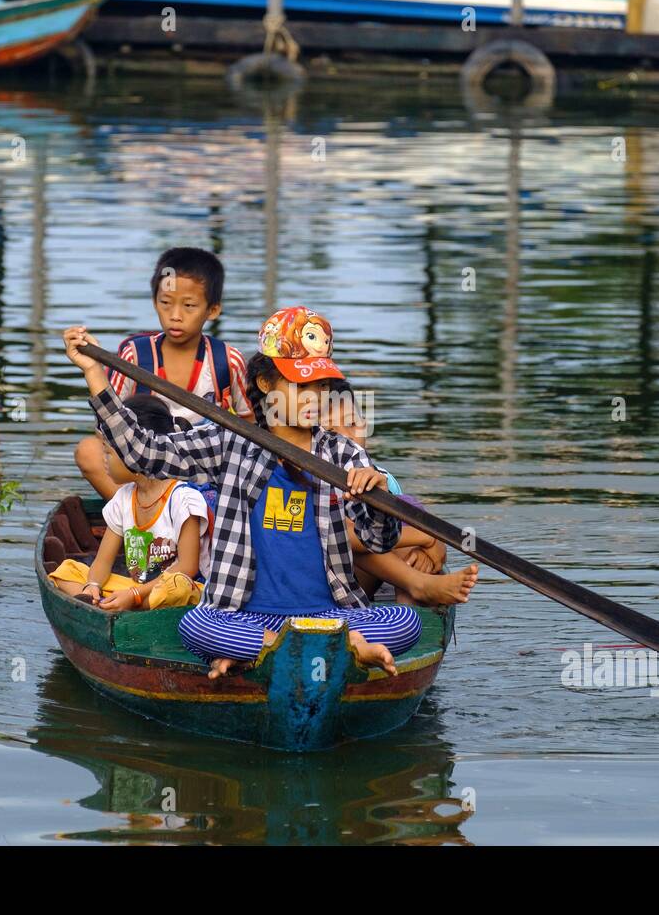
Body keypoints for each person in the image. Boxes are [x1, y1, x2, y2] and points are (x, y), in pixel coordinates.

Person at [63, 306, 447, 680]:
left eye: (322, 386)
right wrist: (95, 373)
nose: (315, 398)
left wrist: (375, 497)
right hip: (248, 615)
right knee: (199, 624)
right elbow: (141, 452)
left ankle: (269, 651)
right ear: (266, 384)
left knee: (404, 622)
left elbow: (378, 540)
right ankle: (334, 648)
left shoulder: (343, 454)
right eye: (301, 385)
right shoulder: (232, 443)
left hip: (330, 615)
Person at [74, 247, 253, 500]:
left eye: (189, 306)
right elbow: (106, 424)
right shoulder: (134, 356)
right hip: (143, 463)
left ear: (212, 310)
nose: (175, 316)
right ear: (154, 301)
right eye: (165, 303)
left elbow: (250, 427)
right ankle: (136, 514)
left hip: (204, 469)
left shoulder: (227, 360)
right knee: (89, 451)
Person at [49, 396, 209, 612]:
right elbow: (103, 562)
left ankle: (117, 606)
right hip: (137, 590)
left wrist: (134, 595)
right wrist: (92, 585)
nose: (104, 459)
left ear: (138, 451)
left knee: (177, 587)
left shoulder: (183, 499)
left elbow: (188, 567)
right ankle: (108, 603)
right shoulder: (124, 498)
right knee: (67, 570)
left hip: (170, 592)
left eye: (108, 452)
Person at [325, 379, 476, 607]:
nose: (348, 439)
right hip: (323, 583)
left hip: (362, 581)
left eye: (353, 424)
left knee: (412, 550)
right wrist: (427, 536)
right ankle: (418, 585)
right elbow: (338, 536)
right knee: (372, 536)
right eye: (331, 431)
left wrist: (434, 547)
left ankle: (411, 623)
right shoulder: (311, 478)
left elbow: (412, 527)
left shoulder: (381, 479)